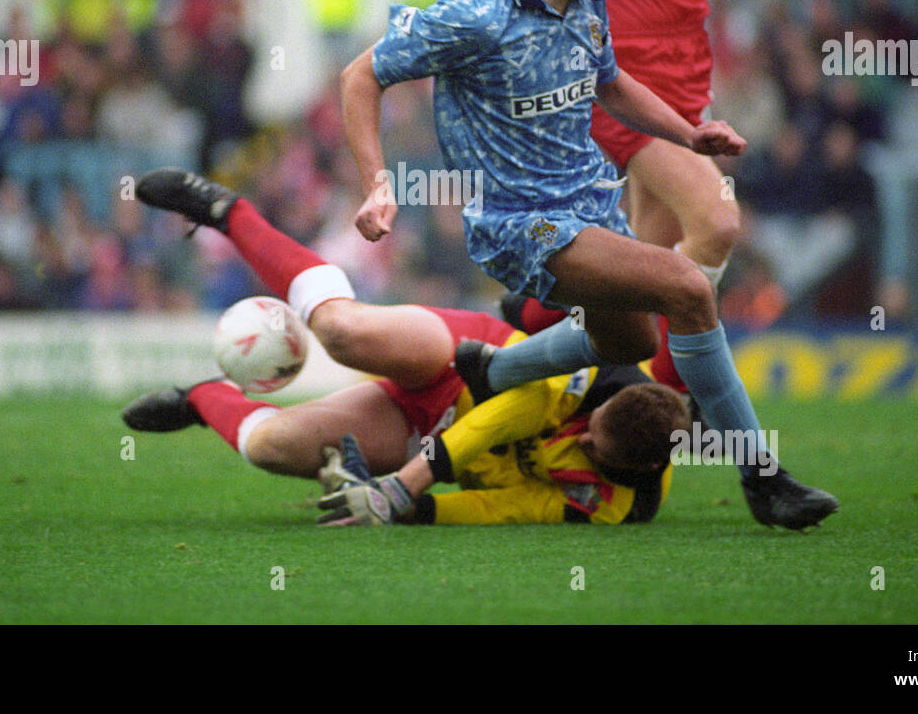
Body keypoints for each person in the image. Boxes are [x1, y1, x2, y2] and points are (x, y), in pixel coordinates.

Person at [341, 0, 836, 529]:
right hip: (520, 224)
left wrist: (690, 133)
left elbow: (610, 83)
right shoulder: (474, 17)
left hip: (591, 209)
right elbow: (359, 76)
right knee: (686, 289)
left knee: (627, 340)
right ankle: (762, 476)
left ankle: (494, 371)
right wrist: (378, 184)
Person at [392, 0, 814, 392]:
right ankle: (678, 404)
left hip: (683, 91)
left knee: (639, 277)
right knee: (718, 222)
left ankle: (535, 331)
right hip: (608, 92)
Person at [125, 168, 691, 526]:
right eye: (594, 425)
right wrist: (404, 486)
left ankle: (201, 398)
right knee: (345, 334)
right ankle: (229, 213)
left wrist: (413, 509)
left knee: (272, 446)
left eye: (594, 449)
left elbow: (512, 508)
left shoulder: (622, 506)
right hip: (475, 362)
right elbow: (495, 421)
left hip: (421, 435)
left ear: (641, 466)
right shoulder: (607, 379)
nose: (583, 436)